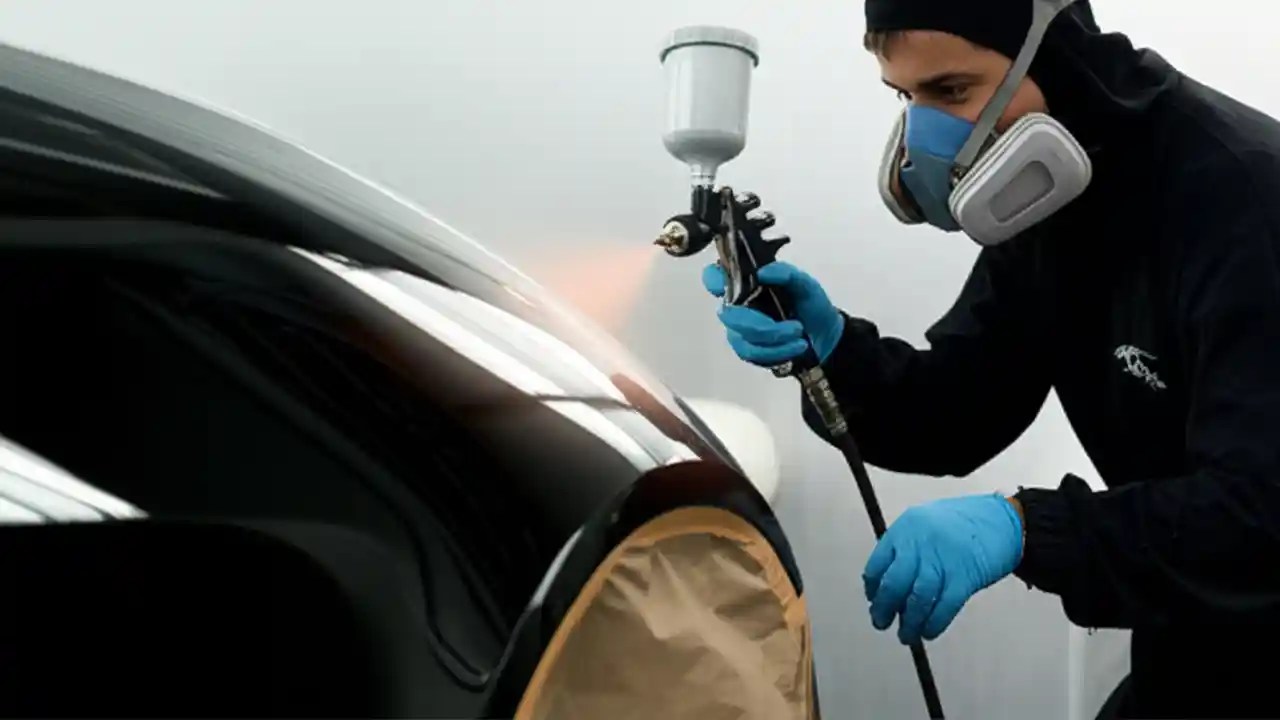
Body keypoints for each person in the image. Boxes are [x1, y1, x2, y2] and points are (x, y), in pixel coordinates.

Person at [700, 0, 1280, 717]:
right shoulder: (1053, 193)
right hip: (1195, 642)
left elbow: (1260, 515)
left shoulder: (1243, 198)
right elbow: (966, 404)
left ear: (1054, 59)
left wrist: (1026, 527)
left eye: (950, 92)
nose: (927, 136)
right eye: (905, 97)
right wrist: (835, 354)